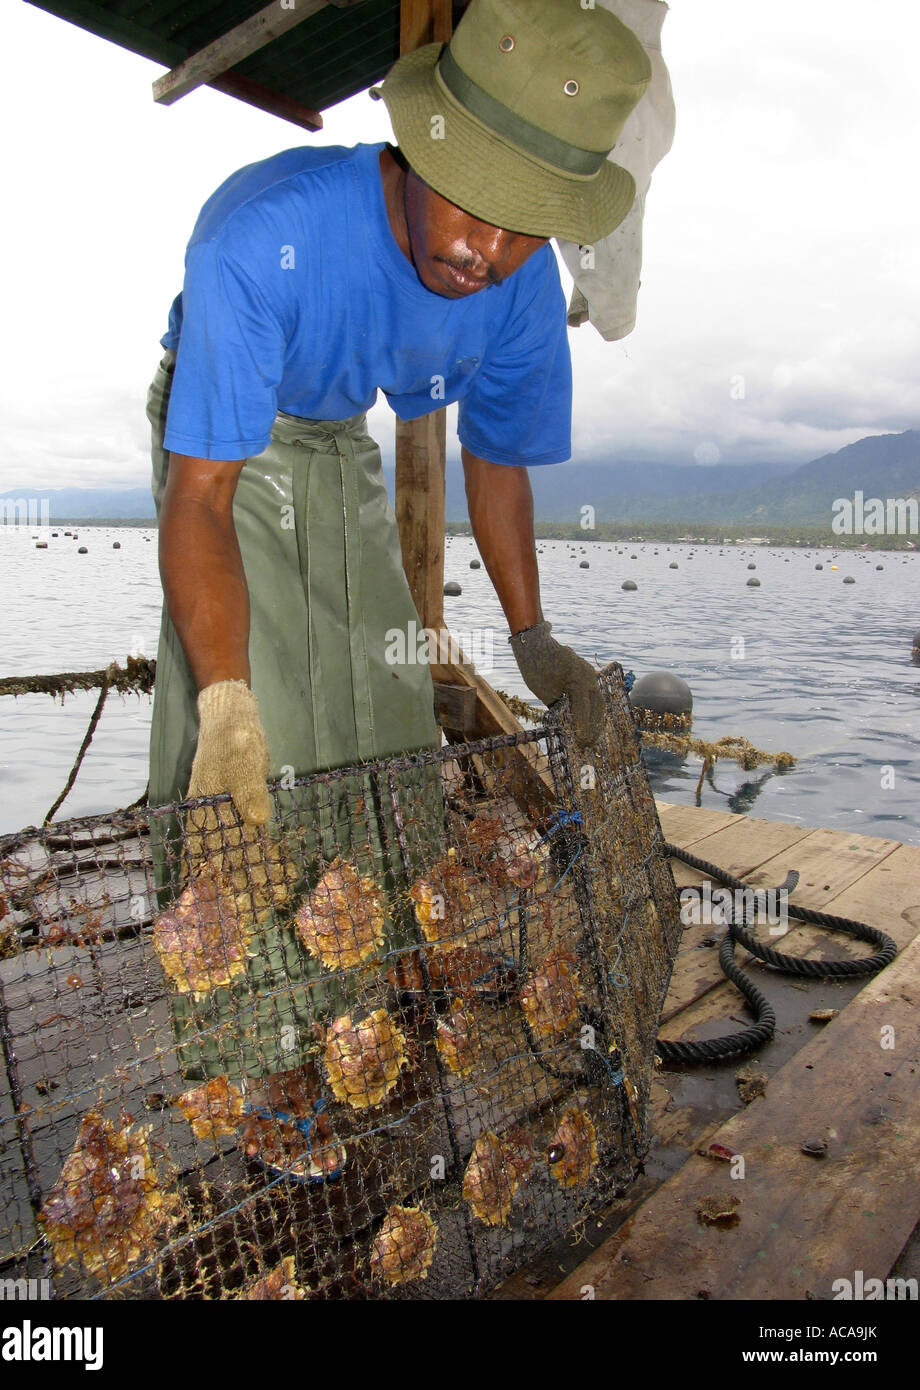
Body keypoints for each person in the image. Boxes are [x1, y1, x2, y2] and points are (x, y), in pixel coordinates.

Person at [147, 0, 652, 1179]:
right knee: (256, 728)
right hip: (222, 439)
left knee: (381, 709)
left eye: (524, 230)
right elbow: (202, 498)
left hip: (334, 437)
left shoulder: (516, 286)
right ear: (419, 142)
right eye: (470, 197)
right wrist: (226, 705)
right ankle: (249, 1055)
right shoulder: (259, 239)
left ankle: (359, 995)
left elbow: (498, 461)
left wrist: (532, 644)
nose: (483, 250)